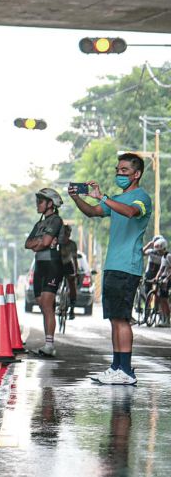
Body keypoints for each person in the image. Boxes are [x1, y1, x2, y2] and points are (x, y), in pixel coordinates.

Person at [68, 153, 151, 385]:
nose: (119, 174)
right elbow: (93, 211)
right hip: (113, 266)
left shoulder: (142, 197)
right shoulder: (115, 198)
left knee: (123, 319)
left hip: (128, 267)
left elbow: (131, 212)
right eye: (118, 169)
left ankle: (126, 370)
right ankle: (117, 367)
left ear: (137, 174)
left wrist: (103, 196)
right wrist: (77, 198)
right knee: (115, 319)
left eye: (124, 170)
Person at [25, 187, 65, 357]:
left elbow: (46, 241)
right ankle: (47, 342)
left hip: (53, 265)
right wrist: (40, 242)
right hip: (39, 266)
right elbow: (28, 244)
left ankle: (50, 344)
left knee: (48, 305)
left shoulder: (55, 220)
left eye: (40, 201)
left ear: (50, 204)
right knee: (42, 305)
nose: (37, 204)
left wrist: (41, 242)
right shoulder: (39, 223)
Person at [59, 224, 79, 321]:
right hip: (58, 264)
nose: (65, 237)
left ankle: (72, 308)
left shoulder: (72, 244)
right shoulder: (58, 243)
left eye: (67, 235)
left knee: (72, 283)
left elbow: (74, 259)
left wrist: (76, 272)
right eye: (64, 235)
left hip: (67, 264)